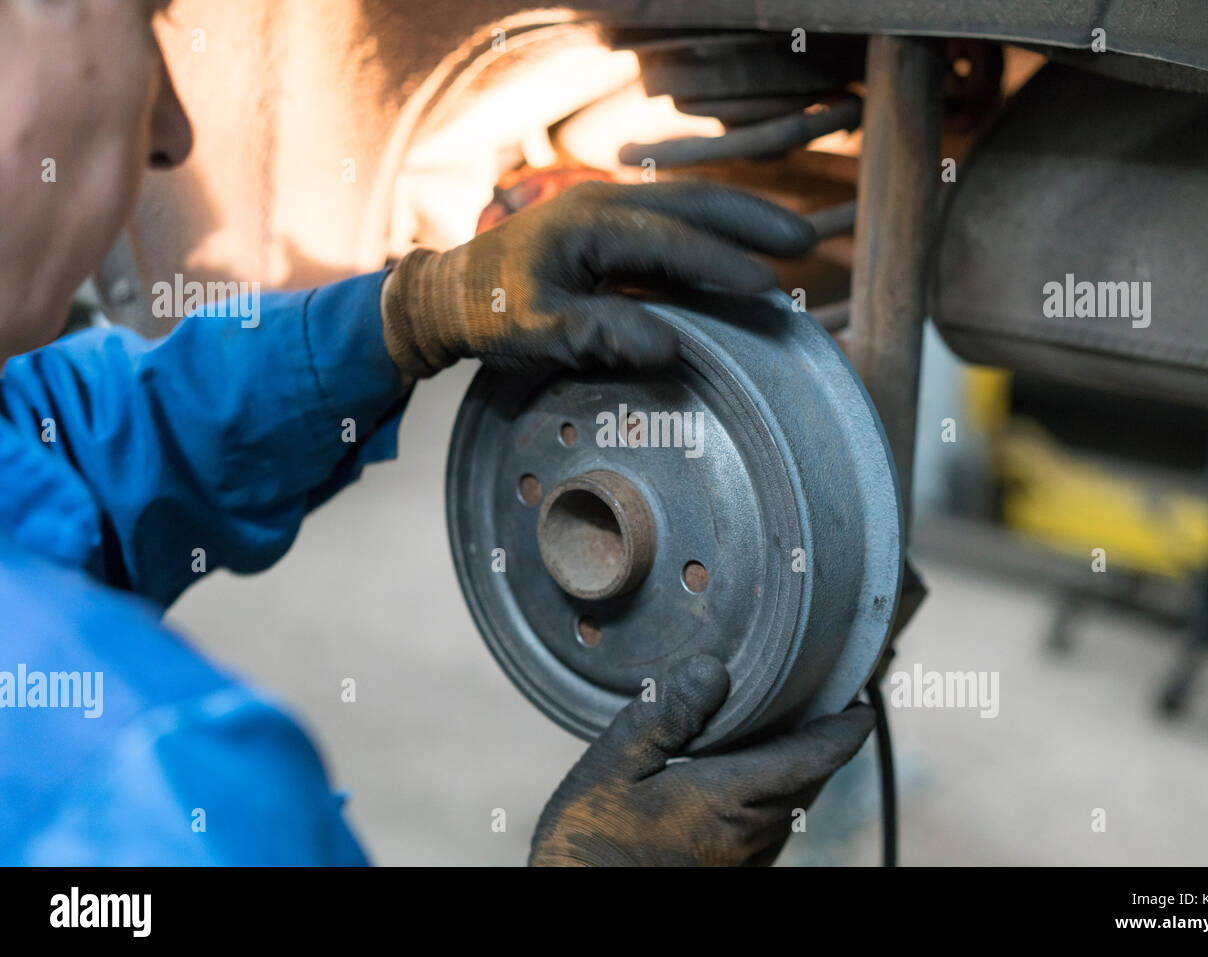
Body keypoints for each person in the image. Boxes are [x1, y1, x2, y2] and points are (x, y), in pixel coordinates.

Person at [0, 0, 874, 866]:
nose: (170, 135)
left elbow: (79, 453)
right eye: (147, 21)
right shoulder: (141, 784)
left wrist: (409, 313)